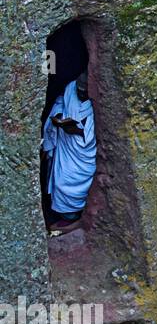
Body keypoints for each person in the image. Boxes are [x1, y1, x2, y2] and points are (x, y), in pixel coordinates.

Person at [41, 73, 96, 230]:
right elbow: (60, 102)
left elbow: (93, 132)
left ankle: (73, 218)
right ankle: (65, 216)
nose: (81, 93)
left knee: (76, 184)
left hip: (83, 152)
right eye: (79, 90)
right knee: (60, 181)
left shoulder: (96, 101)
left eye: (84, 91)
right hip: (65, 147)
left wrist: (77, 131)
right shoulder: (70, 89)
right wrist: (58, 117)